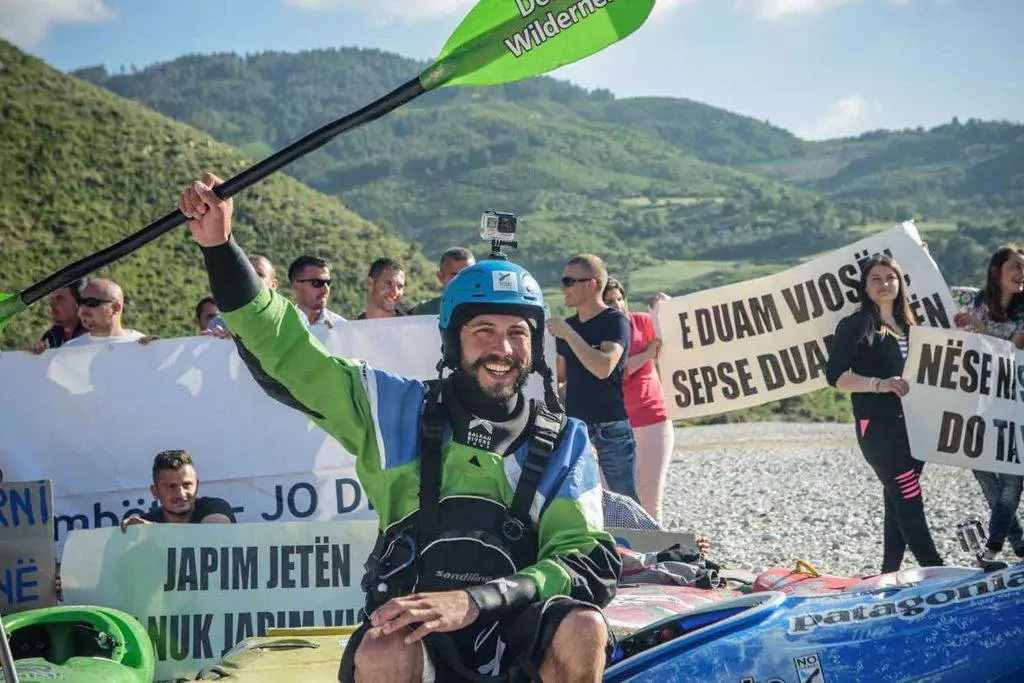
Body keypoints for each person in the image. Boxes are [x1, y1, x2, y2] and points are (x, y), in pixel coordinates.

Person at [178, 172, 618, 683]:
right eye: (484, 331)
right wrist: (219, 246)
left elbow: (584, 561)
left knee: (584, 627)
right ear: (453, 342)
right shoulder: (392, 411)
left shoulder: (565, 440)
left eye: (518, 333)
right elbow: (286, 351)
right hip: (415, 636)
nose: (503, 350)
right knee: (383, 645)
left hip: (515, 631)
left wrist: (476, 600)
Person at [826, 255, 943, 573]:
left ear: (900, 282)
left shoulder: (911, 325)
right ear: (864, 287)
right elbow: (835, 376)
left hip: (916, 426)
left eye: (889, 277)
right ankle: (935, 569)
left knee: (897, 500)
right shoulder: (853, 325)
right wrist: (879, 384)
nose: (883, 283)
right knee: (909, 495)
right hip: (878, 428)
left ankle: (889, 572)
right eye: (875, 278)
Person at [951, 245, 1024, 562]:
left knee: (1010, 480)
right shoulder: (975, 301)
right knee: (985, 476)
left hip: (1013, 406)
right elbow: (934, 301)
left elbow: (1011, 352)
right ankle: (1020, 546)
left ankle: (992, 548)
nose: (1022, 273)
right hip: (975, 404)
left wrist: (981, 330)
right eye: (1016, 266)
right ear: (997, 271)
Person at [549, 254, 640, 503]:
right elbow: (560, 377)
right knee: (577, 500)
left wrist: (569, 334)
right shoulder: (566, 328)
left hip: (611, 426)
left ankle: (634, 543)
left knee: (626, 502)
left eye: (569, 281)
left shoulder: (615, 321)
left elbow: (603, 367)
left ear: (591, 284)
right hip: (576, 426)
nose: (562, 288)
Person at [602, 278, 673, 524]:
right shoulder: (597, 332)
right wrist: (647, 354)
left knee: (651, 499)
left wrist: (663, 307)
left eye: (619, 299)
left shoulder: (642, 322)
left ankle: (657, 558)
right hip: (613, 425)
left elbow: (673, 331)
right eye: (608, 301)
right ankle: (621, 557)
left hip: (653, 418)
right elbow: (615, 369)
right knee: (614, 501)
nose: (616, 305)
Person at [121, 449, 236, 527]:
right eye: (171, 486)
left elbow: (213, 534)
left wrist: (153, 533)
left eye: (187, 485)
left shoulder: (215, 507)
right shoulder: (146, 523)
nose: (181, 494)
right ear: (155, 492)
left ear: (197, 486)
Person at [63, 278, 148, 346]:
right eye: (80, 303)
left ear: (115, 308)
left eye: (92, 303)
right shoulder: (70, 350)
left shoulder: (142, 346)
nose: (83, 310)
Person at [29, 277, 89, 353]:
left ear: (78, 302)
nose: (52, 304)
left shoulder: (95, 337)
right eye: (51, 298)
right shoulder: (49, 337)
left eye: (60, 298)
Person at [410, 248, 476, 316]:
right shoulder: (424, 311)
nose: (463, 282)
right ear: (440, 277)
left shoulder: (486, 309)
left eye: (468, 275)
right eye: (455, 276)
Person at [288, 255, 346, 328]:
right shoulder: (280, 325)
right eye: (316, 283)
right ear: (296, 286)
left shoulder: (341, 327)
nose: (326, 289)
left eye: (328, 283)